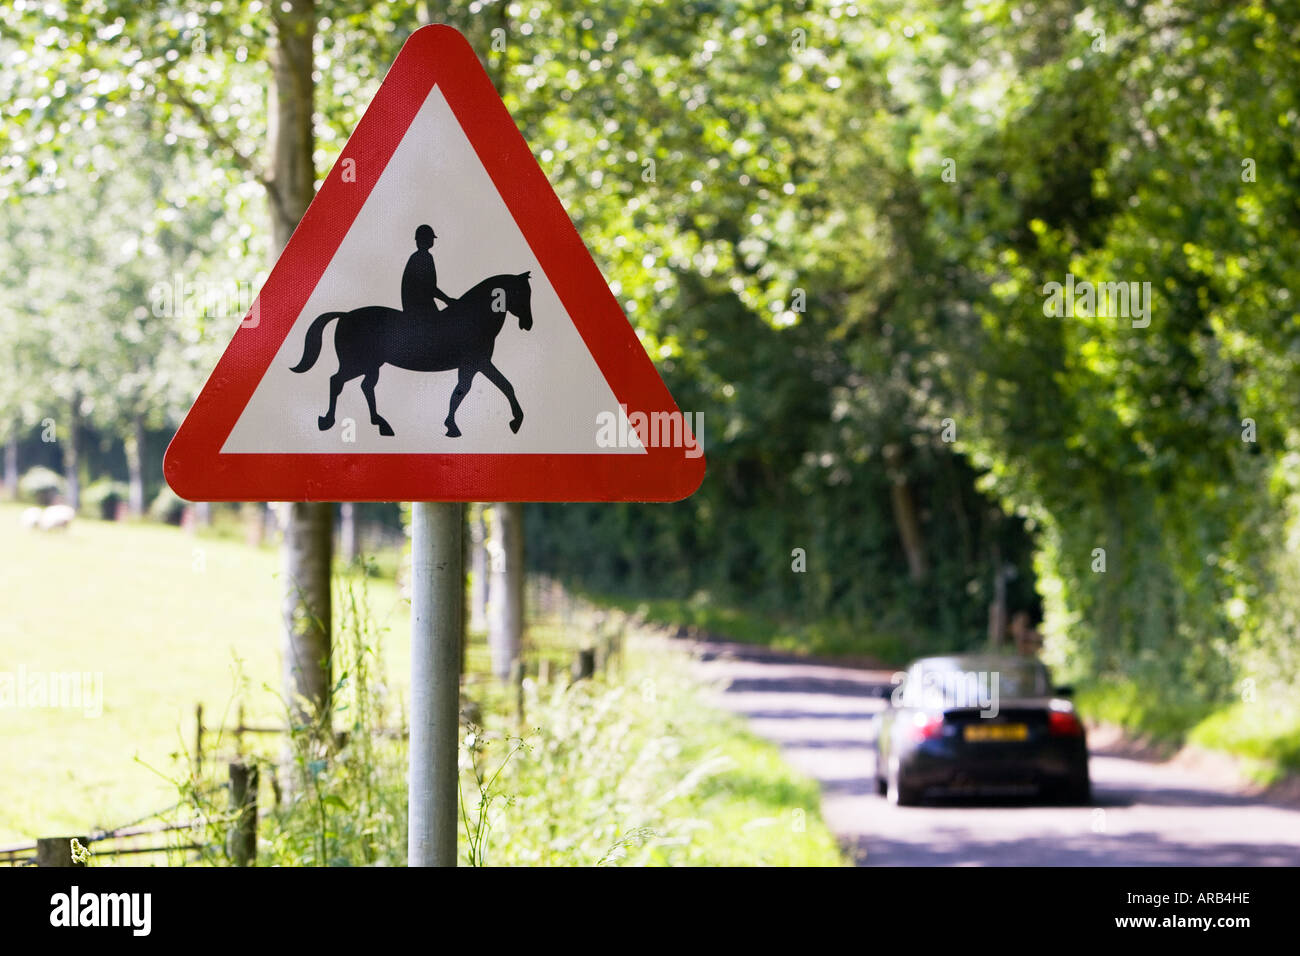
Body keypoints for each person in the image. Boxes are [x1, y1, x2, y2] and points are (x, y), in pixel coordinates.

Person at [401, 224, 455, 318]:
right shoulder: (425, 257)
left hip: (414, 304)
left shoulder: (416, 257)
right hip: (420, 305)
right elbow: (429, 287)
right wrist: (447, 300)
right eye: (430, 238)